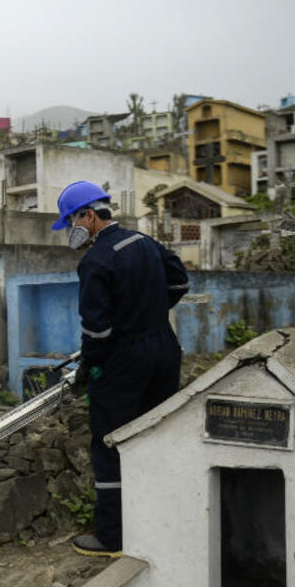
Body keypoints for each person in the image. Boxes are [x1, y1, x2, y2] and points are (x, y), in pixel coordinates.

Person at [53, 180, 188, 557]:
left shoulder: (95, 261)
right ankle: (160, 524)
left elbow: (97, 330)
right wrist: (149, 311)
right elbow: (180, 281)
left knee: (111, 444)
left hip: (123, 360)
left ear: (90, 216)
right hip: (164, 348)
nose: (70, 231)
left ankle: (112, 538)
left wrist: (88, 368)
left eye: (70, 222)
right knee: (155, 434)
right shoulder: (144, 242)